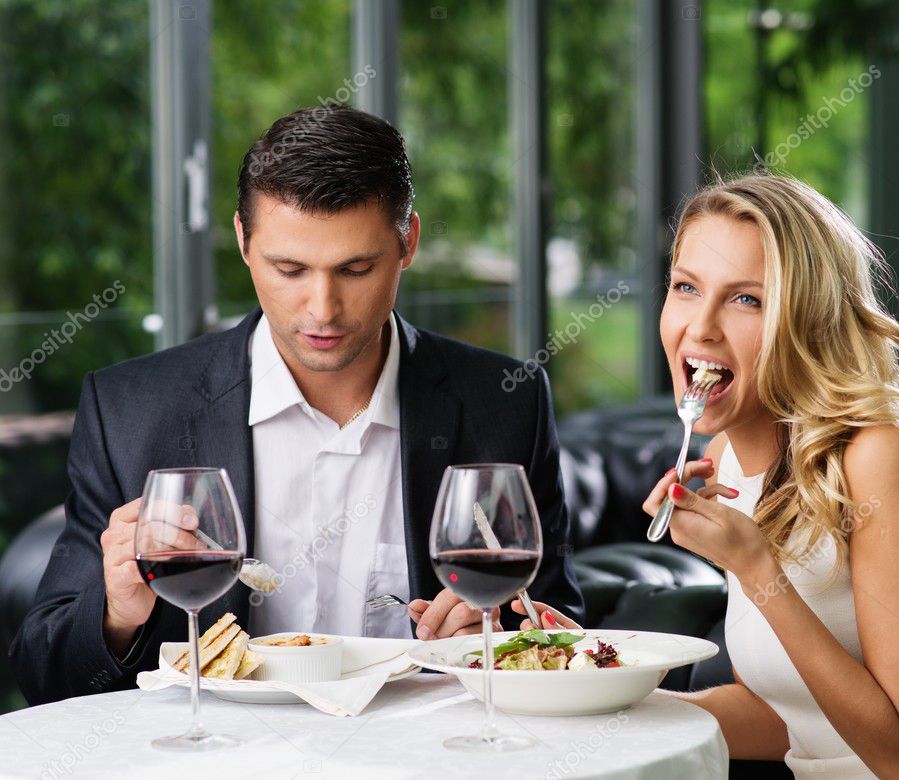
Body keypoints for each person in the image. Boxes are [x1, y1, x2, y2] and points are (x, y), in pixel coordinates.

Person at [10, 104, 583, 705]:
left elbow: (558, 626)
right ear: (242, 242)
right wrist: (118, 613)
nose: (323, 309)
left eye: (356, 269)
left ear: (407, 242)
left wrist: (498, 635)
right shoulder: (129, 411)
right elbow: (44, 678)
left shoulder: (504, 402)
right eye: (290, 269)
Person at [514, 173, 899, 778]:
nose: (700, 326)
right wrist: (597, 688)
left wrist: (758, 570)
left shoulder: (881, 458)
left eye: (746, 298)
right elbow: (790, 716)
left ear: (807, 318)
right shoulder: (728, 456)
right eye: (685, 287)